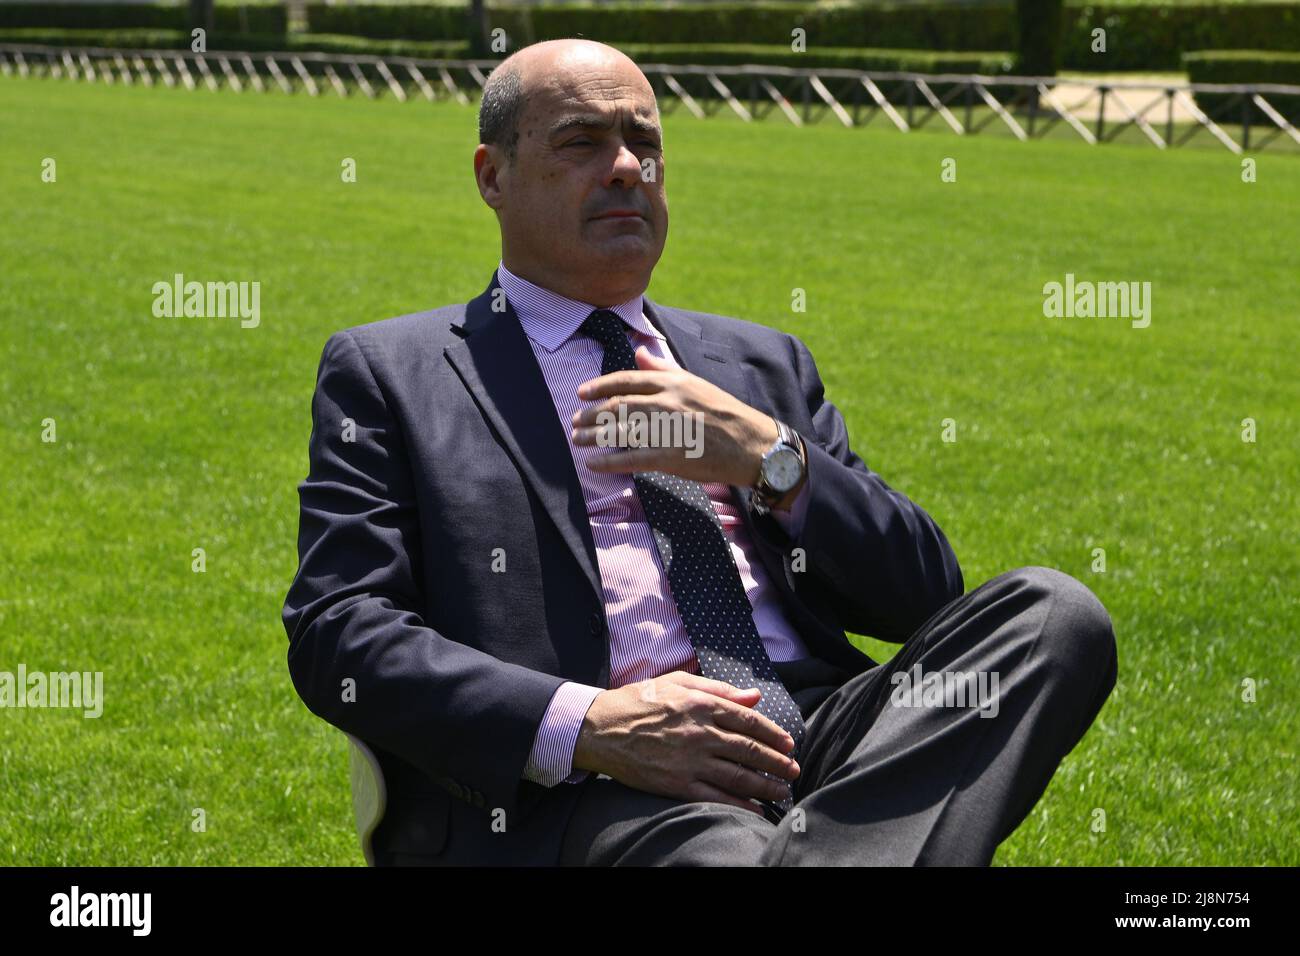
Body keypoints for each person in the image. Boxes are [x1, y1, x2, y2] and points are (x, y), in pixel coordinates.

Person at [282, 38, 1117, 866]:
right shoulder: (395, 372)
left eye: (645, 144)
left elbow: (924, 598)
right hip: (604, 782)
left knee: (1052, 618)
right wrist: (593, 726)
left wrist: (765, 453)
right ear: (491, 175)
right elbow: (339, 631)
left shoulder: (757, 364)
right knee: (723, 851)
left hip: (825, 735)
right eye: (582, 142)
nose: (625, 169)